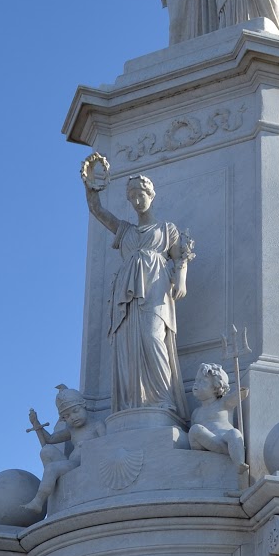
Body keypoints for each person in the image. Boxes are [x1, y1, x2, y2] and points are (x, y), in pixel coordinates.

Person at [82, 168, 194, 420]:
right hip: (127, 290)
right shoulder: (126, 231)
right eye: (132, 196)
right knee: (128, 345)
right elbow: (97, 211)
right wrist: (90, 189)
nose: (136, 200)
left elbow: (180, 256)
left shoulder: (166, 229)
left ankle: (163, 399)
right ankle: (133, 402)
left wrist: (181, 279)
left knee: (153, 337)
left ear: (151, 195)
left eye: (140, 194)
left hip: (156, 285)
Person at [24, 384, 105, 517]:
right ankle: (53, 488)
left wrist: (89, 446)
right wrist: (36, 424)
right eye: (67, 416)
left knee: (51, 468)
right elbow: (49, 440)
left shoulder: (97, 425)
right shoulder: (71, 430)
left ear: (84, 405)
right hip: (71, 463)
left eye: (75, 411)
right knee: (46, 451)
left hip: (85, 463)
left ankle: (38, 500)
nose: (73, 417)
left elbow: (105, 445)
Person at [188, 362, 248, 472]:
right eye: (196, 380)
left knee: (234, 433)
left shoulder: (223, 402)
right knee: (195, 429)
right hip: (208, 442)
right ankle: (198, 459)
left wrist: (241, 391)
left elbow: (241, 395)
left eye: (202, 382)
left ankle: (239, 464)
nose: (196, 384)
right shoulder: (196, 412)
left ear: (216, 388)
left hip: (226, 442)